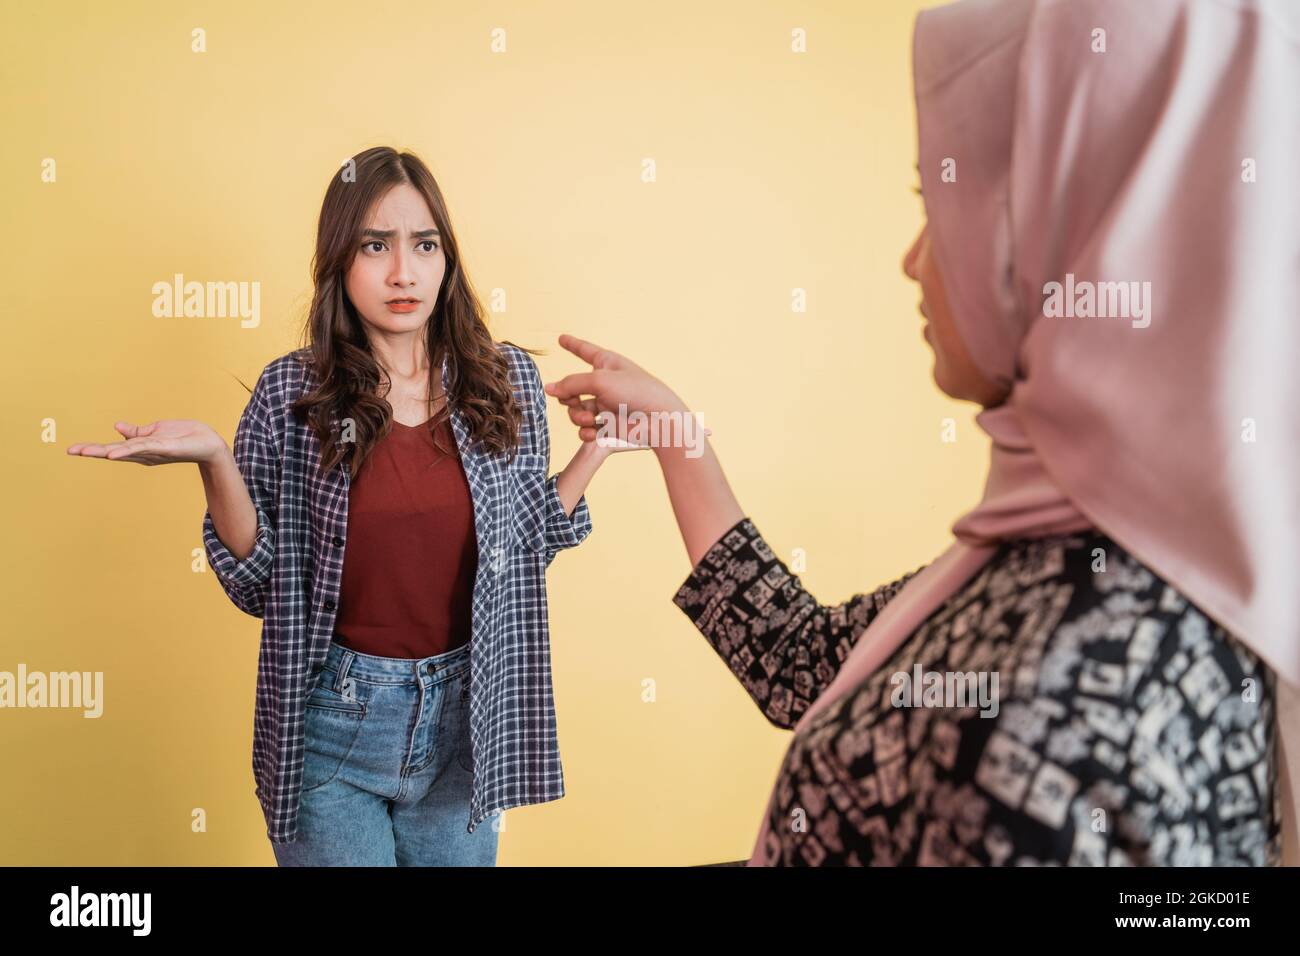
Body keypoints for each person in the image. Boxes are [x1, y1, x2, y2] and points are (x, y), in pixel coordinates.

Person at [544, 0, 1300, 865]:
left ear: (1062, 228)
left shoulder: (1056, 698)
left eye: (932, 202)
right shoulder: (1117, 561)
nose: (913, 257)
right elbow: (805, 663)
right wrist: (680, 438)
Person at [67, 147, 623, 865]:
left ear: (446, 259)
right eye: (375, 246)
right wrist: (213, 460)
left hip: (467, 717)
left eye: (424, 245)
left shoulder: (504, 379)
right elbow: (260, 584)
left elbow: (524, 545)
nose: (404, 271)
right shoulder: (293, 396)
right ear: (340, 260)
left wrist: (599, 449)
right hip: (332, 723)